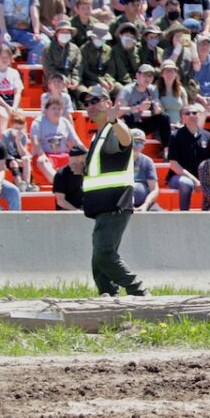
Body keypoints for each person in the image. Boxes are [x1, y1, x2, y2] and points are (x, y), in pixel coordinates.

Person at [80, 85, 147, 296]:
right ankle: (107, 296)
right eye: (87, 102)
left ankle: (138, 291)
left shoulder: (114, 129)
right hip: (102, 205)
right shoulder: (98, 135)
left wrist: (115, 120)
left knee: (104, 254)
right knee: (97, 260)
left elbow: (126, 140)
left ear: (108, 104)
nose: (91, 106)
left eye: (96, 101)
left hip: (115, 203)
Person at [31, 95, 86, 184]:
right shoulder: (38, 122)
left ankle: (80, 184)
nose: (57, 111)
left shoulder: (65, 122)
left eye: (59, 109)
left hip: (63, 155)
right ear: (46, 110)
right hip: (46, 156)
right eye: (54, 108)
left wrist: (86, 153)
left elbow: (76, 141)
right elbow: (35, 140)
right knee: (41, 161)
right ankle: (59, 184)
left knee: (81, 158)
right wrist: (41, 155)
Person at [166, 102, 210, 211]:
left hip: (202, 177)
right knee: (186, 183)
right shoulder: (175, 136)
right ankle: (184, 215)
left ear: (199, 115)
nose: (191, 115)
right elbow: (173, 164)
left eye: (194, 113)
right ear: (182, 118)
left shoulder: (207, 136)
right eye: (187, 113)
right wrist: (195, 180)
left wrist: (203, 179)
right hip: (179, 178)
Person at [117, 64, 169, 146]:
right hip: (125, 125)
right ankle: (128, 147)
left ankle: (167, 149)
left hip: (141, 123)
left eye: (151, 76)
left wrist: (157, 110)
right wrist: (138, 108)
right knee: (128, 116)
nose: (148, 78)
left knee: (164, 117)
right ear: (137, 75)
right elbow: (117, 112)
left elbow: (159, 109)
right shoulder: (127, 90)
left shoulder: (152, 90)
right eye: (145, 75)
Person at [0, 45, 23, 131]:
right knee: (4, 115)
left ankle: (19, 141)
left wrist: (14, 107)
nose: (5, 59)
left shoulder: (14, 72)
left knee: (20, 115)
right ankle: (4, 140)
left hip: (12, 101)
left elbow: (17, 92)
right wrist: (8, 107)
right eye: (2, 57)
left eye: (7, 57)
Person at [1, 109, 38, 192]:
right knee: (13, 162)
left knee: (26, 159)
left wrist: (18, 141)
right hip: (8, 158)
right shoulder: (5, 135)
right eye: (16, 128)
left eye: (20, 129)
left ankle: (27, 184)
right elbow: (4, 152)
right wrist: (14, 159)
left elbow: (23, 153)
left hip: (19, 158)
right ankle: (19, 183)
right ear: (11, 125)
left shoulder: (23, 136)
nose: (18, 131)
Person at [129, 128, 161, 211]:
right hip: (122, 203)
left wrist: (146, 205)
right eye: (134, 142)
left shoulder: (147, 161)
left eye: (139, 143)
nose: (136, 145)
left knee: (159, 213)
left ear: (143, 146)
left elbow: (154, 189)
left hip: (144, 202)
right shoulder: (119, 160)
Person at [53, 145, 87, 211]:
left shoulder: (87, 171)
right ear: (79, 158)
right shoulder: (61, 174)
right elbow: (60, 201)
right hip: (66, 214)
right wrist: (76, 211)